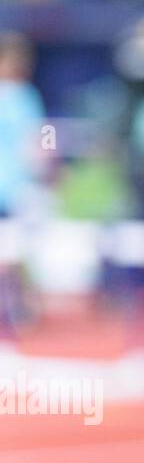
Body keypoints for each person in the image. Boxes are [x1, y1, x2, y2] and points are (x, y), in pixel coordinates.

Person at [0, 31, 46, 336]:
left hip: (12, 187)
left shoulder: (21, 96)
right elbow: (37, 145)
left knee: (12, 251)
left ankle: (17, 306)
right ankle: (19, 306)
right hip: (15, 188)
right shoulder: (23, 97)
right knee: (15, 252)